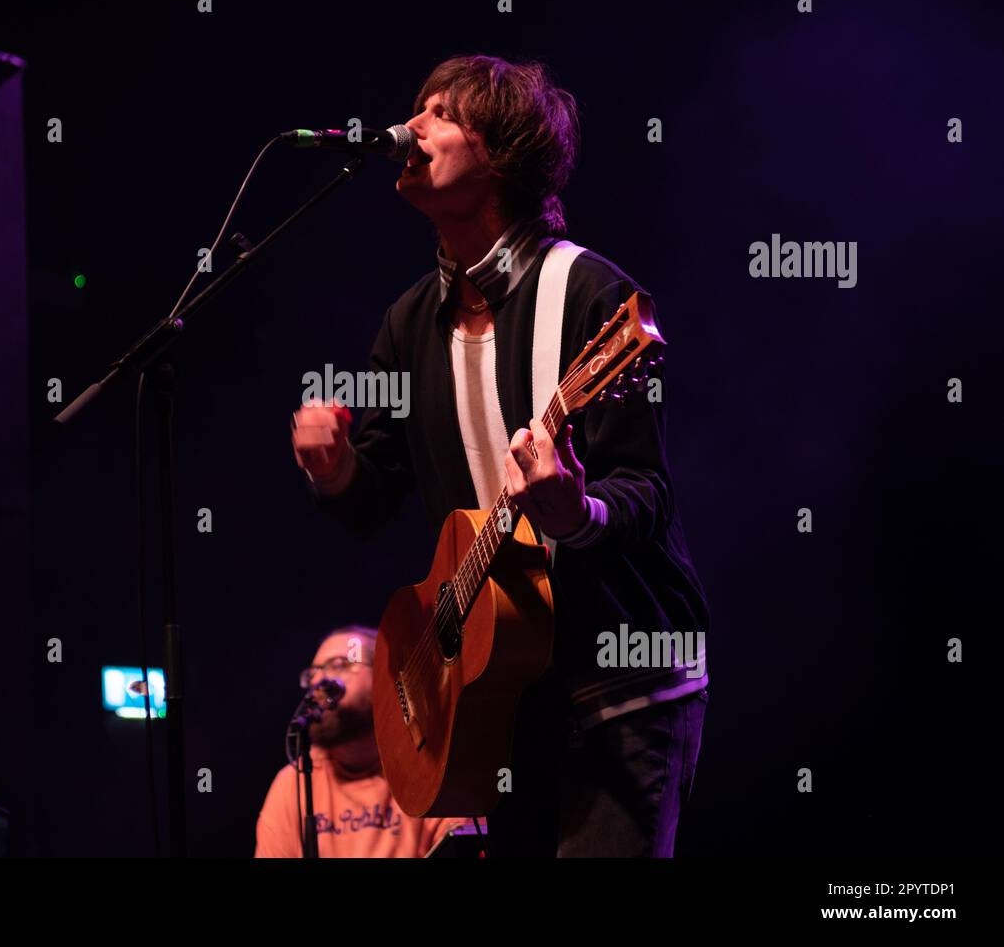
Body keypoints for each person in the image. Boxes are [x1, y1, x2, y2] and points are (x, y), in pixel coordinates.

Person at [289, 55, 709, 857]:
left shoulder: (587, 294)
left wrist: (574, 513)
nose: (413, 126)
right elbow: (373, 497)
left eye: (442, 113)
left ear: (502, 153)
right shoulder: (408, 326)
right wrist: (335, 468)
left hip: (621, 681)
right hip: (507, 695)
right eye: (416, 107)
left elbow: (646, 493)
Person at [254, 625, 467, 858]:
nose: (319, 681)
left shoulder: (431, 766)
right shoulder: (292, 785)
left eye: (339, 665)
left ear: (384, 681)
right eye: (313, 673)